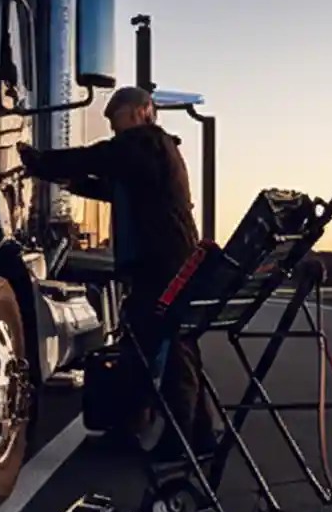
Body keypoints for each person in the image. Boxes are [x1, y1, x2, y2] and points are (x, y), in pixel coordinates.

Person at [17, 86, 219, 456]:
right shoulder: (151, 155)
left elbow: (100, 158)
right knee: (161, 345)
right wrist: (74, 183)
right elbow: (115, 187)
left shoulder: (146, 143)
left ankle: (181, 440)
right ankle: (194, 434)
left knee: (169, 348)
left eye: (119, 120)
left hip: (162, 264)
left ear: (143, 111)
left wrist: (40, 161)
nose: (116, 130)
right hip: (167, 262)